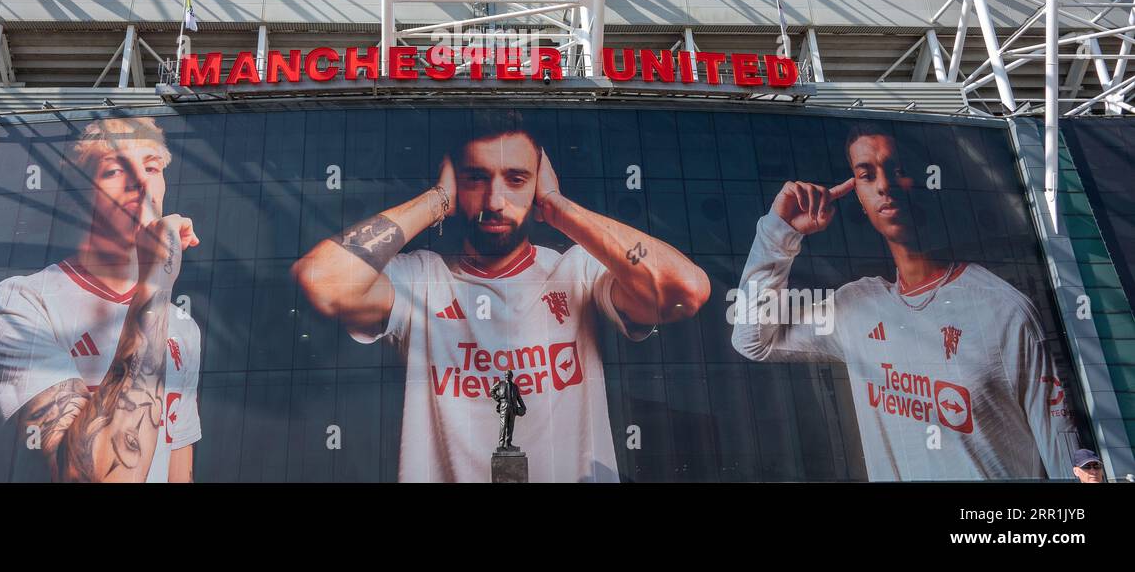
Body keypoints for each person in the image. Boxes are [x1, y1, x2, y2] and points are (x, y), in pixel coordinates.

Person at [292, 109, 711, 482]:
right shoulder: (420, 278)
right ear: (455, 182)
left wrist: (558, 207)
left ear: (536, 184)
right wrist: (436, 200)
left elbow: (684, 291)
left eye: (516, 179)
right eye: (476, 177)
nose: (495, 201)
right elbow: (320, 280)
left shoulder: (577, 272)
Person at [731, 122, 1078, 480]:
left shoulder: (1003, 309)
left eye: (897, 170)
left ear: (926, 182)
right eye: (866, 175)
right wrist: (777, 232)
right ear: (859, 197)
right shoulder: (856, 307)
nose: (884, 186)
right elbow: (752, 341)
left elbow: (1063, 454)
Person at [0, 116, 203, 482]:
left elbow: (178, 467)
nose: (139, 183)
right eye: (114, 171)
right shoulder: (21, 302)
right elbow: (90, 476)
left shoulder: (181, 325)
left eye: (151, 167)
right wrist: (157, 280)